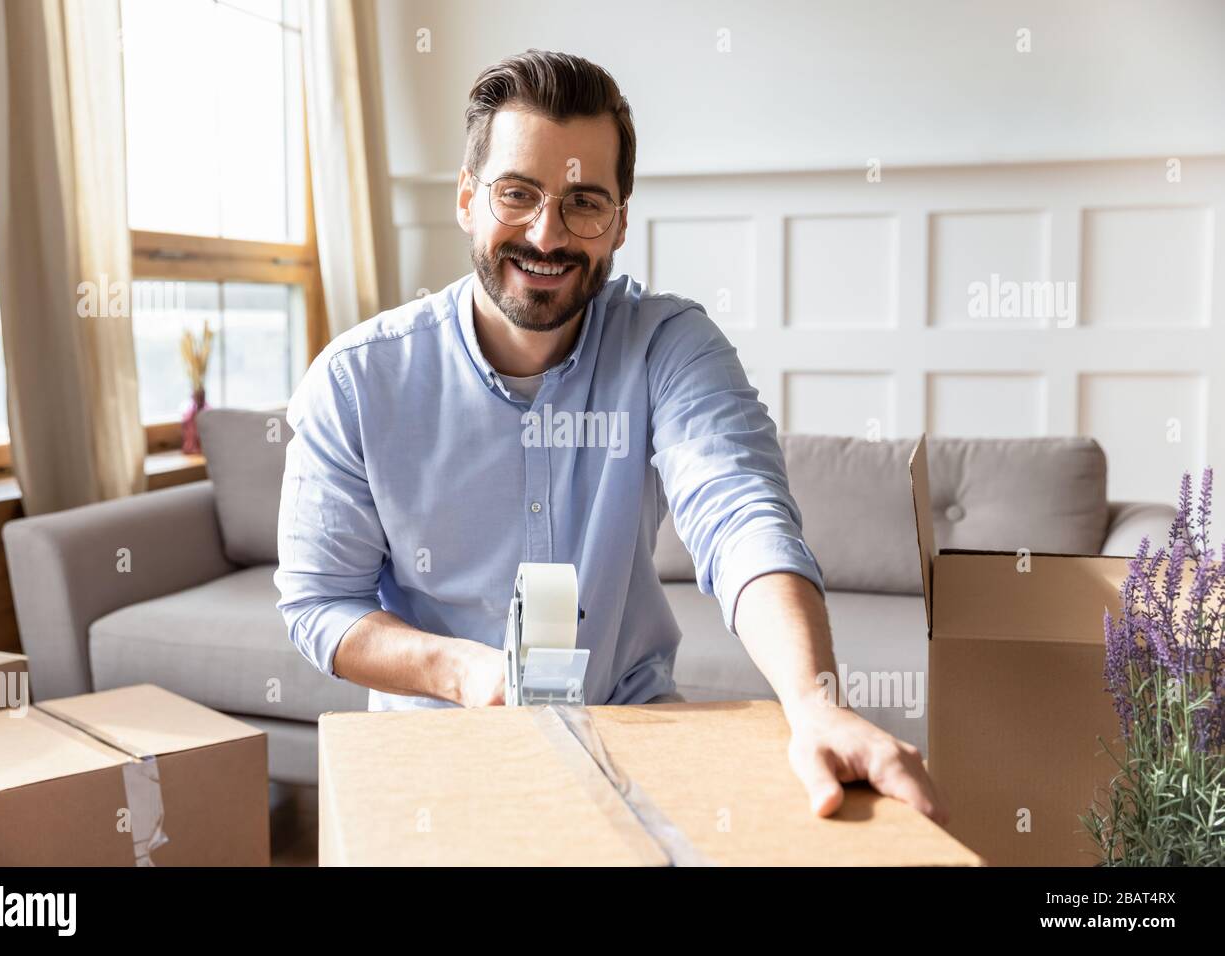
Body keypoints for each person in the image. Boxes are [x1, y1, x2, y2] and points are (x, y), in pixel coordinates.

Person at [275, 49, 947, 824]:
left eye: (584, 202)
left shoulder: (671, 346)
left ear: (621, 222)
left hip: (632, 730)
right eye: (516, 194)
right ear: (466, 199)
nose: (547, 233)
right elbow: (320, 602)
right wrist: (464, 672)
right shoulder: (357, 382)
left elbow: (742, 517)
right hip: (435, 747)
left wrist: (813, 703)